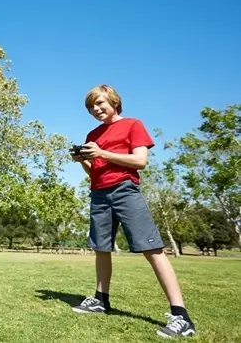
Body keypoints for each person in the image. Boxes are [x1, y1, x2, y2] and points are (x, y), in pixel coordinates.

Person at [70, 84, 196, 339]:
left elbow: (140, 161)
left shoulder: (132, 125)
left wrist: (102, 152)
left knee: (152, 249)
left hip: (125, 191)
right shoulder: (93, 133)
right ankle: (101, 300)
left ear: (115, 102)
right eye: (91, 107)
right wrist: (83, 160)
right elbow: (95, 171)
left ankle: (181, 316)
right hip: (99, 193)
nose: (96, 109)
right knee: (101, 248)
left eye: (100, 103)